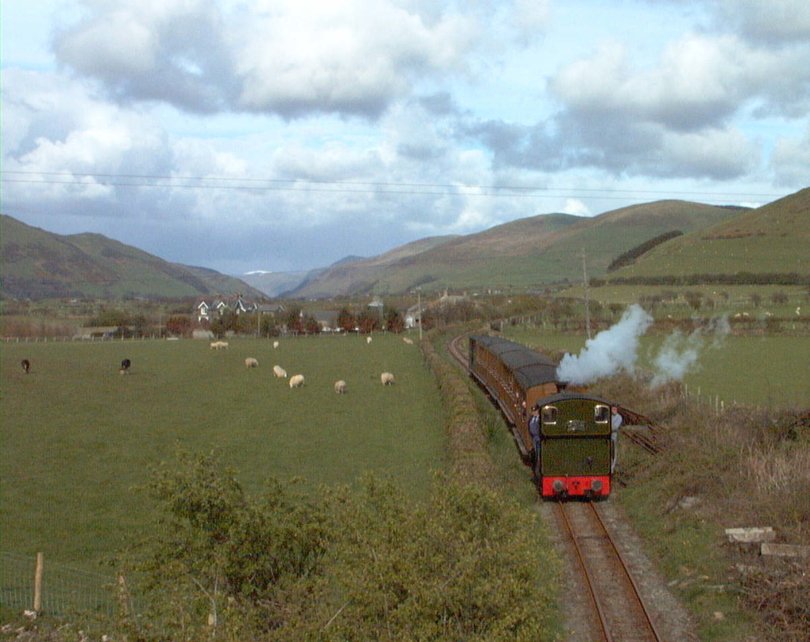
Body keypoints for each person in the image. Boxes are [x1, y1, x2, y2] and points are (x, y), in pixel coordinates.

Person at [528, 405, 541, 477]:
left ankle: (537, 470)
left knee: (538, 454)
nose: (534, 412)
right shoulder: (531, 419)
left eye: (535, 411)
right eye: (533, 411)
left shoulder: (539, 419)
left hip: (539, 438)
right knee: (535, 454)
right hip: (534, 438)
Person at [610, 406, 623, 473]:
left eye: (615, 409)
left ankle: (612, 468)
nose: (614, 410)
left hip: (613, 437)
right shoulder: (609, 416)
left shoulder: (619, 417)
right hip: (607, 437)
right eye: (613, 409)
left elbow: (615, 427)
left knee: (613, 453)